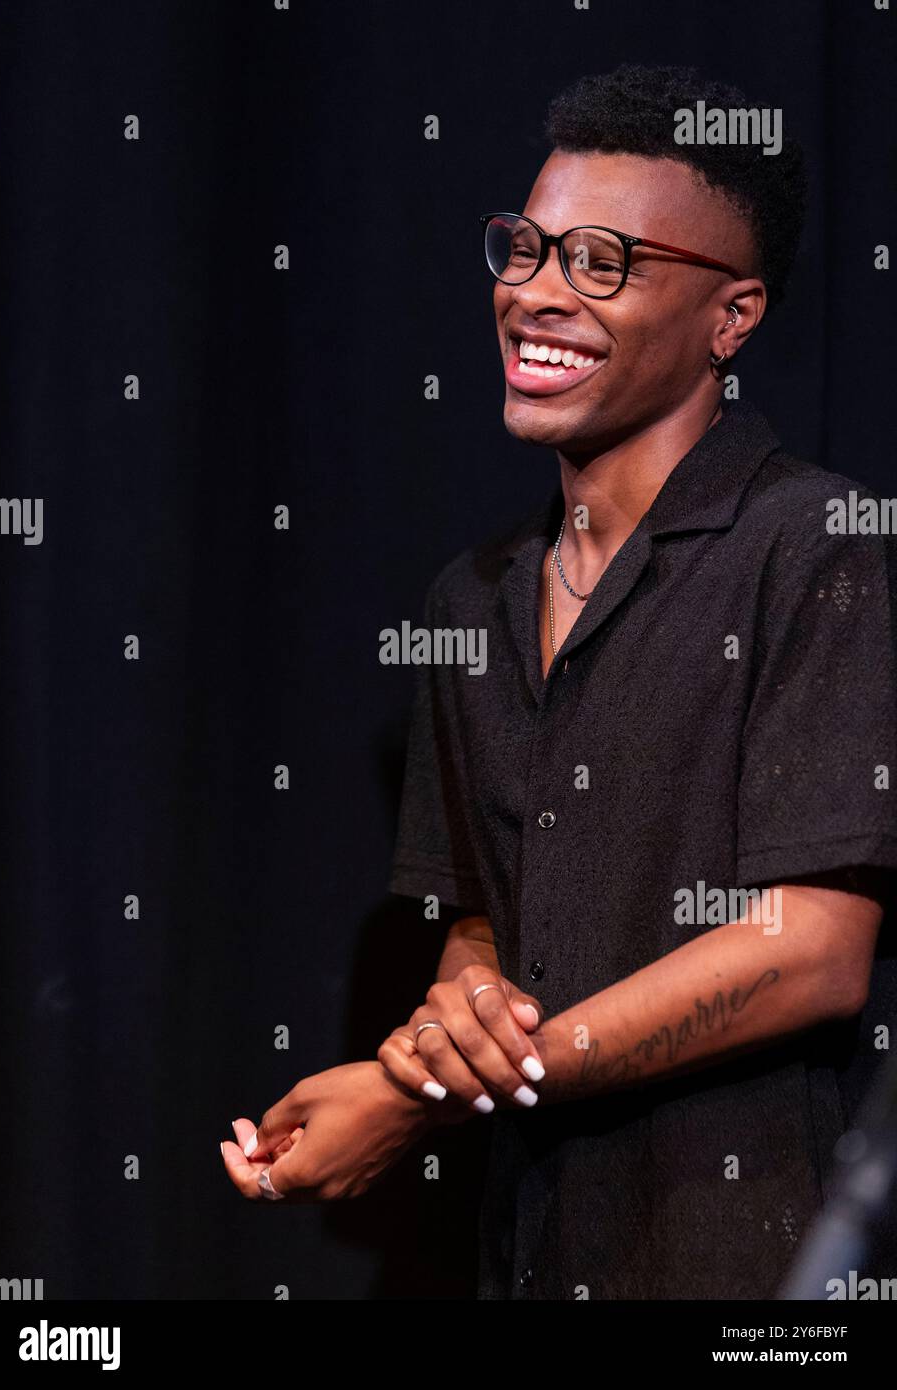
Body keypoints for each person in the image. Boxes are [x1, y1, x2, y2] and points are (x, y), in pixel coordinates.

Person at [222, 65, 897, 1300]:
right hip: (533, 1251)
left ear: (731, 317)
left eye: (604, 261)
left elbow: (810, 948)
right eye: (527, 246)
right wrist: (457, 1006)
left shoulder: (823, 542)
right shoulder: (469, 598)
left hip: (755, 1268)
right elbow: (486, 920)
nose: (536, 290)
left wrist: (417, 1087)